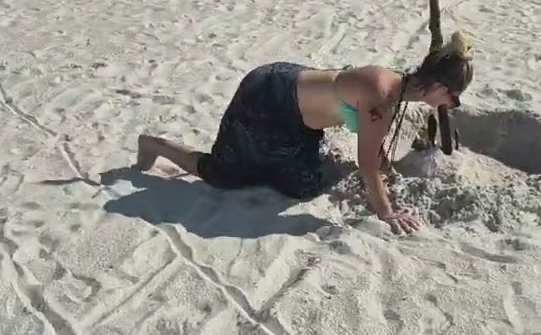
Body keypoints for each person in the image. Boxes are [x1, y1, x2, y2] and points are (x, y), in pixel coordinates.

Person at [133, 31, 476, 233]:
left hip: (298, 117)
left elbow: (368, 132)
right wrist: (386, 212)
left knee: (301, 187)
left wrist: (381, 155)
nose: (452, 103)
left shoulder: (396, 86)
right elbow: (367, 164)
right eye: (454, 96)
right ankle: (157, 144)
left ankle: (265, 158)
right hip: (269, 96)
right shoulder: (382, 95)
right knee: (224, 175)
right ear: (438, 86)